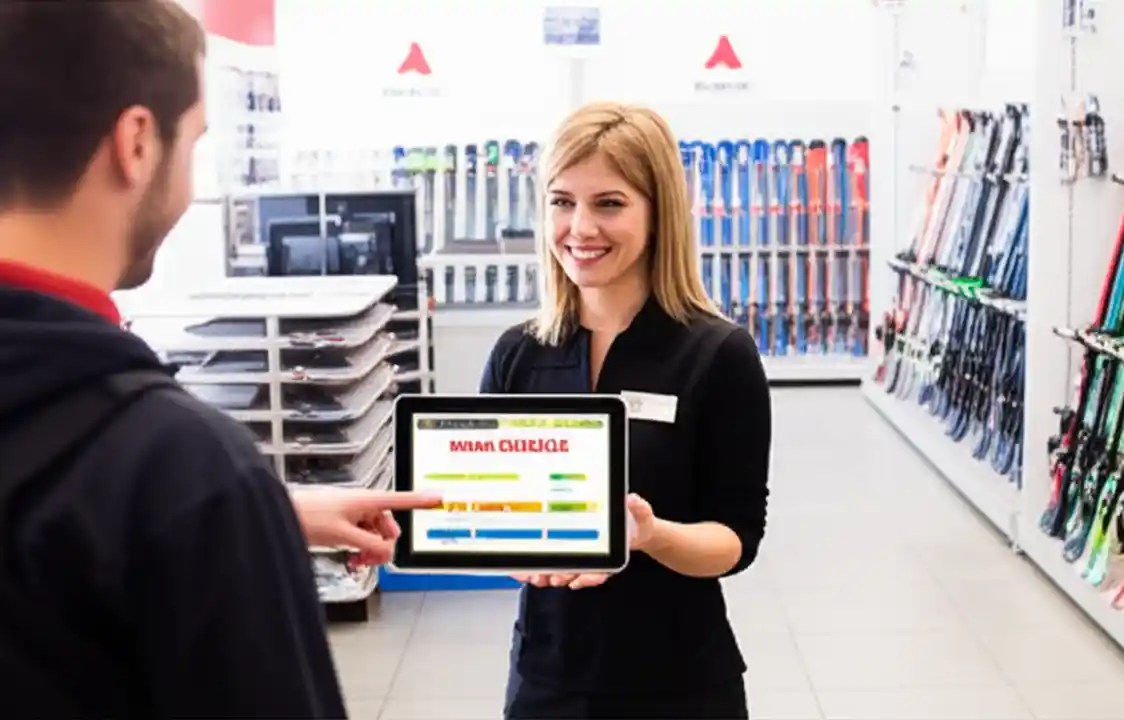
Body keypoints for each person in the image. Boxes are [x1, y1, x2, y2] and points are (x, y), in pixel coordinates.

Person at [0, 2, 438, 717]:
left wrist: (264, 511)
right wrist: (223, 512)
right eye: (195, 141)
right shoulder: (179, 467)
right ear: (137, 142)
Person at [480, 102, 773, 719]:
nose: (580, 227)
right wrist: (498, 542)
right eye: (562, 202)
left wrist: (651, 536)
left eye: (609, 203)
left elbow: (737, 539)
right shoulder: (520, 354)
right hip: (546, 680)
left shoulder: (717, 353)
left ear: (658, 212)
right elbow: (488, 518)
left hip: (678, 685)